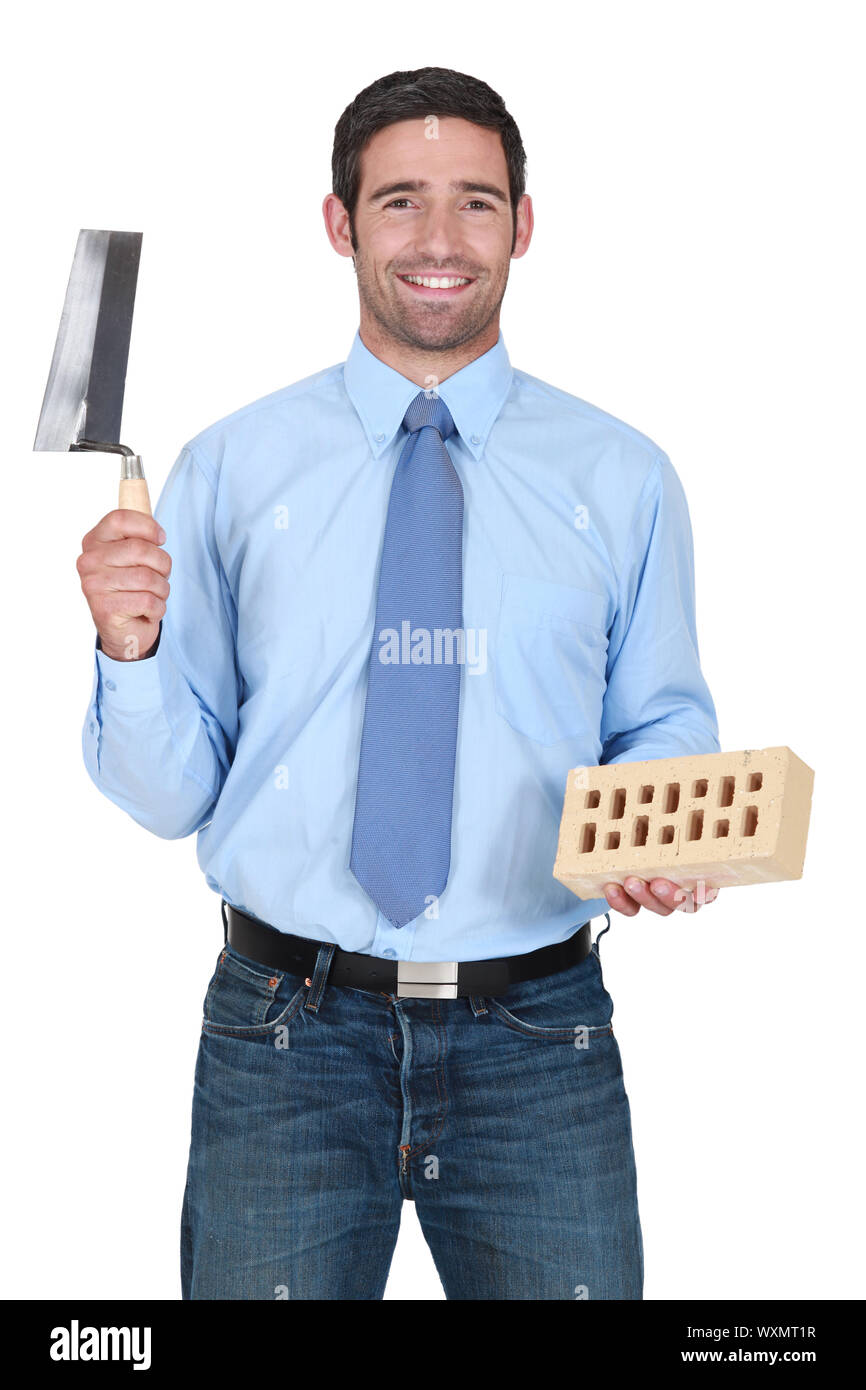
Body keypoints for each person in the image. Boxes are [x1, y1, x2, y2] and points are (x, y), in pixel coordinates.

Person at [76, 66, 721, 1301]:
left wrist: (652, 822)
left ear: (522, 226)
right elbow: (170, 797)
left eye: (475, 203)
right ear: (339, 222)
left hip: (541, 1039)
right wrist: (130, 649)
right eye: (398, 203)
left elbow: (659, 719)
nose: (438, 242)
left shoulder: (624, 476)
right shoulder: (223, 470)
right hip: (283, 1038)